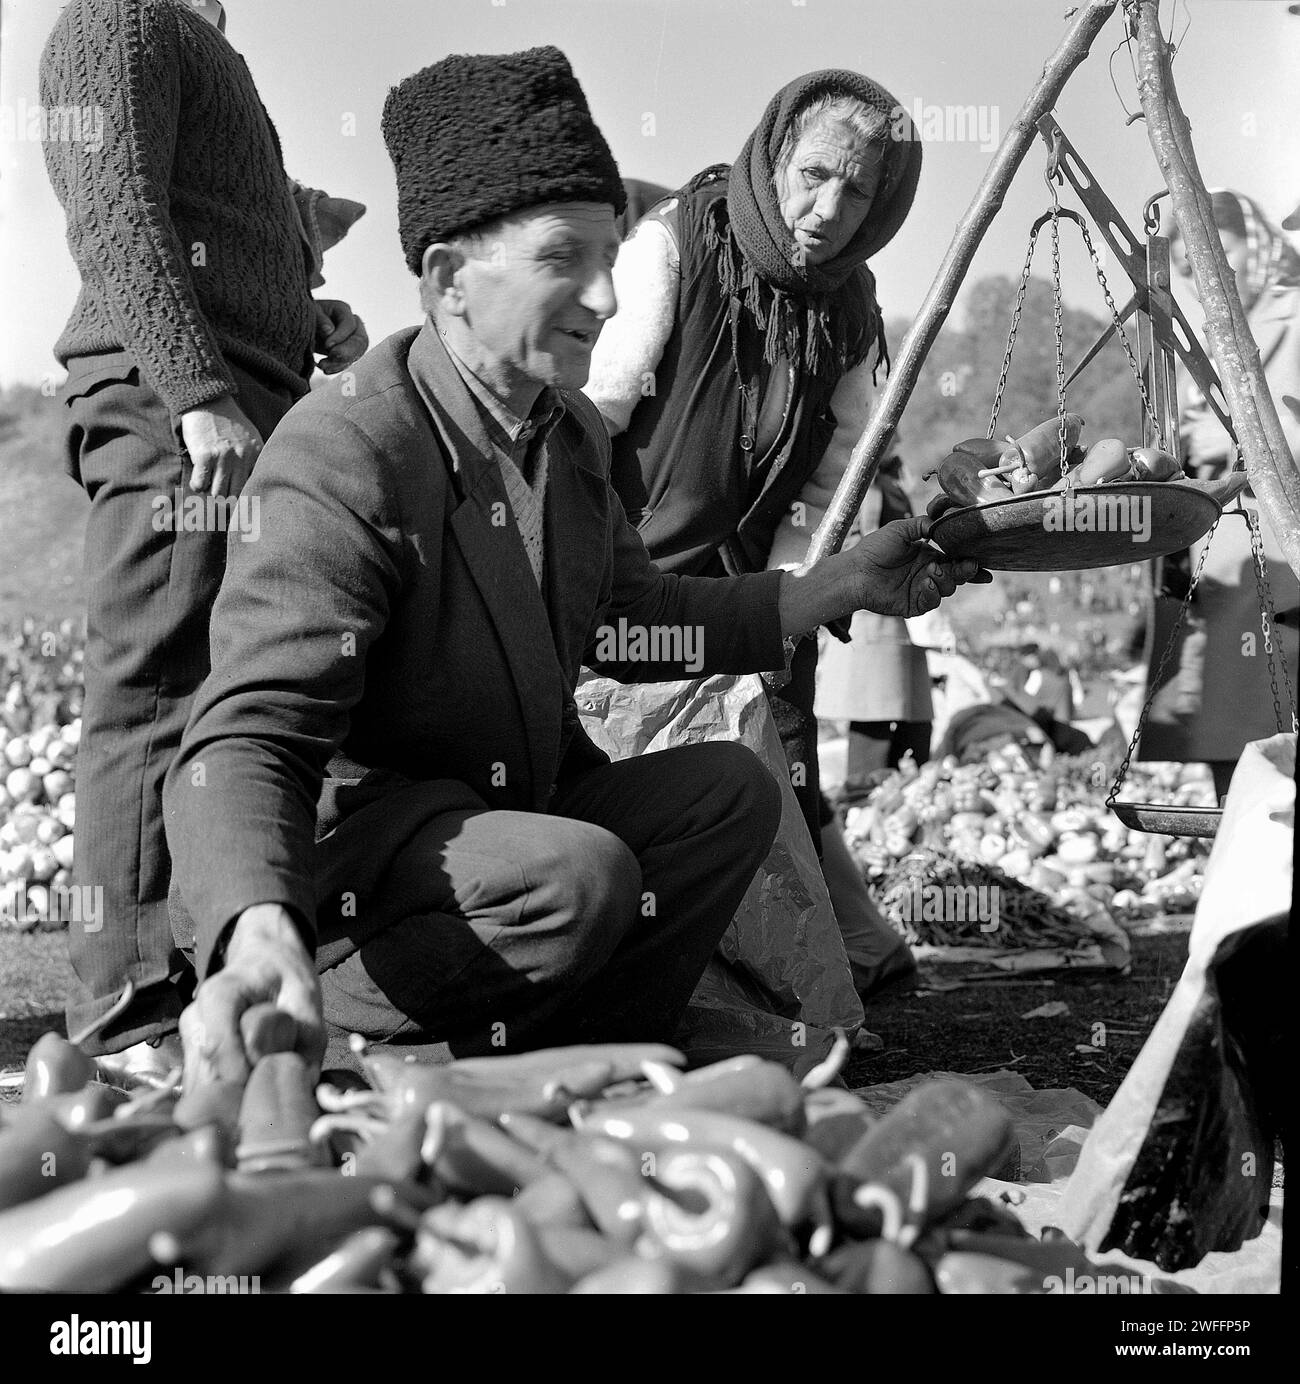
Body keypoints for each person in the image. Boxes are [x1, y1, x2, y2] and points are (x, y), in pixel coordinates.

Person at [161, 46, 989, 1090]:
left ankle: (593, 1046)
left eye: (610, 255)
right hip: (361, 873)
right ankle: (354, 1034)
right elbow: (248, 736)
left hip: (518, 821)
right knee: (576, 874)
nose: (604, 296)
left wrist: (836, 586)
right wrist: (256, 928)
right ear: (449, 280)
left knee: (727, 792)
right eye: (566, 258)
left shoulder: (567, 441)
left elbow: (636, 618)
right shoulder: (352, 448)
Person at [39, 0, 368, 1079]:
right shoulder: (121, 17)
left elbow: (204, 228)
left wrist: (303, 314)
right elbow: (115, 209)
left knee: (229, 687)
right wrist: (194, 390)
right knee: (156, 686)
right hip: (172, 406)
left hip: (233, 401)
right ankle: (127, 1010)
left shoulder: (195, 42)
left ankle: (198, 971)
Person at [583, 68, 923, 1000]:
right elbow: (592, 415)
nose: (828, 207)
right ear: (775, 157)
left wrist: (788, 601)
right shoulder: (678, 246)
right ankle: (651, 971)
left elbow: (826, 483)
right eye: (814, 173)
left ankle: (817, 966)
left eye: (858, 189)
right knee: (625, 786)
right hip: (635, 578)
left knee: (780, 761)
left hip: (757, 589)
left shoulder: (851, 310)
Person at [1140, 190, 1300, 799]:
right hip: (1221, 552)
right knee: (1230, 734)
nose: (1204, 277)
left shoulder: (1292, 311)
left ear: (1249, 245)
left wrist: (1215, 453)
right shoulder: (1211, 333)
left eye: (1215, 255)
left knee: (1266, 729)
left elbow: (1283, 435)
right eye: (1186, 267)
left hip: (1280, 548)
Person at [816, 449, 935, 792]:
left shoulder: (893, 485)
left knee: (913, 719)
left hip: (901, 619)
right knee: (874, 716)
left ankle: (903, 796)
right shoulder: (866, 487)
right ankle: (862, 801)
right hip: (871, 616)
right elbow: (856, 544)